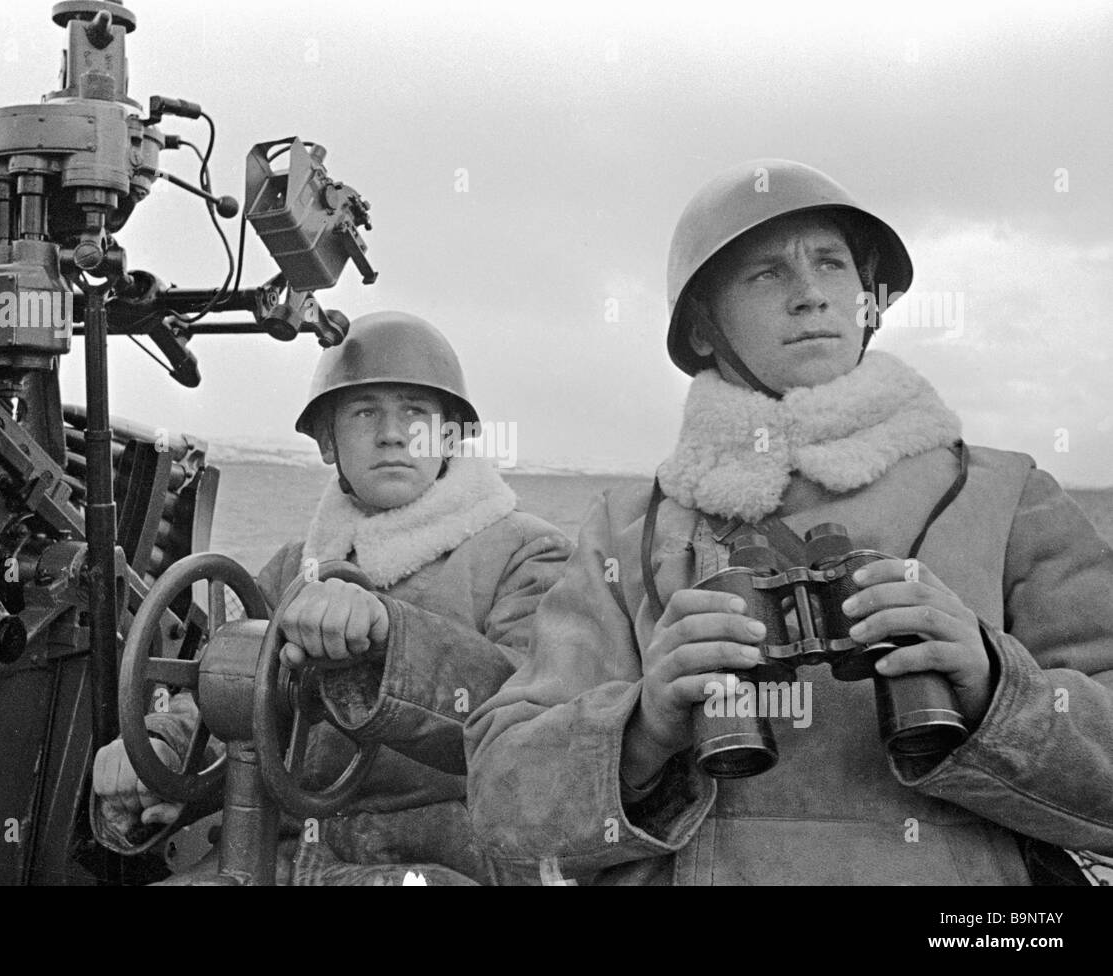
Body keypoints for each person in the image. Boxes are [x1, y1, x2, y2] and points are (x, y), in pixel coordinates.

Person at [465, 159, 1113, 885]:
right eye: (767, 274)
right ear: (705, 329)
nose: (810, 295)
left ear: (868, 300)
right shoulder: (630, 531)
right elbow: (501, 801)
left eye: (830, 264)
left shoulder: (1002, 496)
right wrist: (643, 730)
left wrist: (994, 685)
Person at [93, 310, 570, 884]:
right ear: (327, 442)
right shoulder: (294, 568)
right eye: (365, 412)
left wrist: (390, 638)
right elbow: (230, 695)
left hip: (436, 862)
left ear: (450, 437)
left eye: (415, 412)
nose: (392, 433)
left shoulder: (527, 554)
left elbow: (537, 733)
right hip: (276, 857)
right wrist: (162, 749)